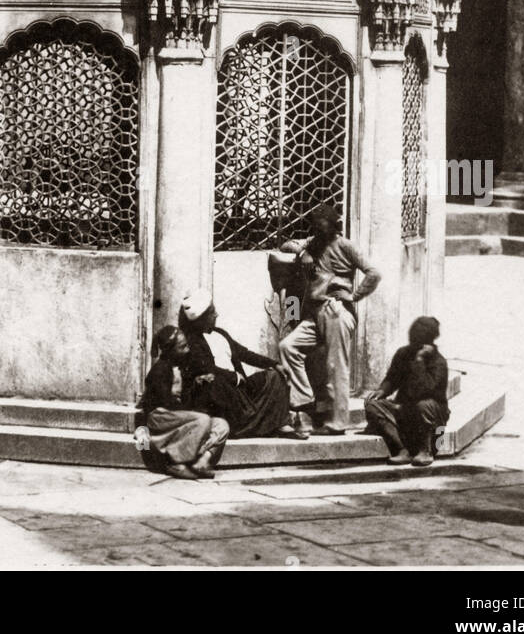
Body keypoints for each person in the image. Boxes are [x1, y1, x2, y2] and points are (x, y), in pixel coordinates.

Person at [277, 205, 382, 437]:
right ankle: (304, 403)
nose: (319, 228)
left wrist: (355, 296)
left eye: (324, 224)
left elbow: (374, 273)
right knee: (288, 347)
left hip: (336, 310)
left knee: (336, 367)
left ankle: (338, 422)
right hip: (315, 313)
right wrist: (302, 253)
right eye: (316, 224)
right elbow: (286, 244)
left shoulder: (346, 245)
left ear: (334, 225)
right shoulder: (313, 244)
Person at [177, 288, 291, 438]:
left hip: (240, 390)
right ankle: (245, 425)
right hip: (222, 391)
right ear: (203, 318)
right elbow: (205, 368)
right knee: (213, 382)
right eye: (212, 313)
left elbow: (244, 353)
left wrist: (274, 363)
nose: (216, 315)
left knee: (275, 376)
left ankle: (279, 424)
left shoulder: (221, 333)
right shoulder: (192, 341)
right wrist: (234, 377)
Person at [135, 325, 229, 479]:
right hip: (160, 416)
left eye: (187, 345)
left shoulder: (182, 367)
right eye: (182, 347)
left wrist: (196, 383)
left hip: (177, 416)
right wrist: (193, 411)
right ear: (170, 350)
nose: (187, 350)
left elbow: (184, 398)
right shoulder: (159, 371)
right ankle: (175, 462)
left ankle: (202, 461)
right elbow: (168, 403)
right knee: (203, 420)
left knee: (221, 424)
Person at [364, 315, 450, 466]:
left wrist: (419, 361)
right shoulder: (403, 353)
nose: (412, 341)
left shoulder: (438, 362)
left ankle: (426, 450)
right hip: (406, 409)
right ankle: (402, 449)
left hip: (433, 419)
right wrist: (382, 390)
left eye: (417, 338)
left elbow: (423, 390)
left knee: (424, 405)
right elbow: (392, 378)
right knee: (372, 405)